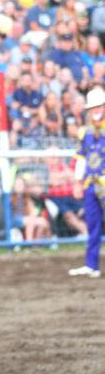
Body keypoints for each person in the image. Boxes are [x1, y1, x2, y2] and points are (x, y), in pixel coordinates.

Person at [69, 87, 105, 277]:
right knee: (92, 225)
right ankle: (92, 264)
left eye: (99, 106)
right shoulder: (84, 132)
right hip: (91, 184)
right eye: (93, 107)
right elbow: (81, 158)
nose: (96, 110)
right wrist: (77, 182)